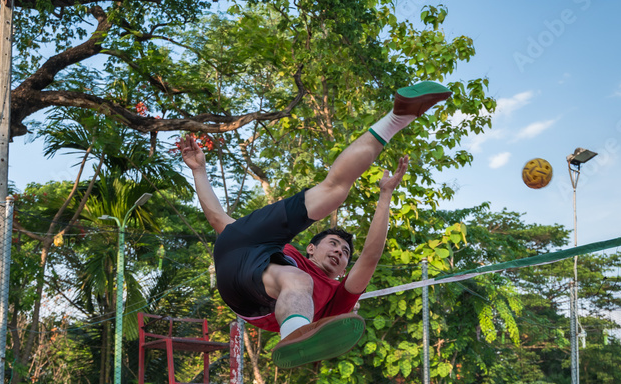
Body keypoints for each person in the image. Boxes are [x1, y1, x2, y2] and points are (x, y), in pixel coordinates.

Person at [180, 82, 451, 368]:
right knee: (333, 192)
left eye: (345, 252)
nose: (339, 252)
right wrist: (199, 170)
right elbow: (219, 221)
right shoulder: (284, 250)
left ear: (345, 269)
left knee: (298, 280)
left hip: (248, 299)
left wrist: (385, 197)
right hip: (241, 251)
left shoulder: (337, 297)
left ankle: (295, 335)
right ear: (310, 248)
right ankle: (399, 116)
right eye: (333, 244)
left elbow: (370, 256)